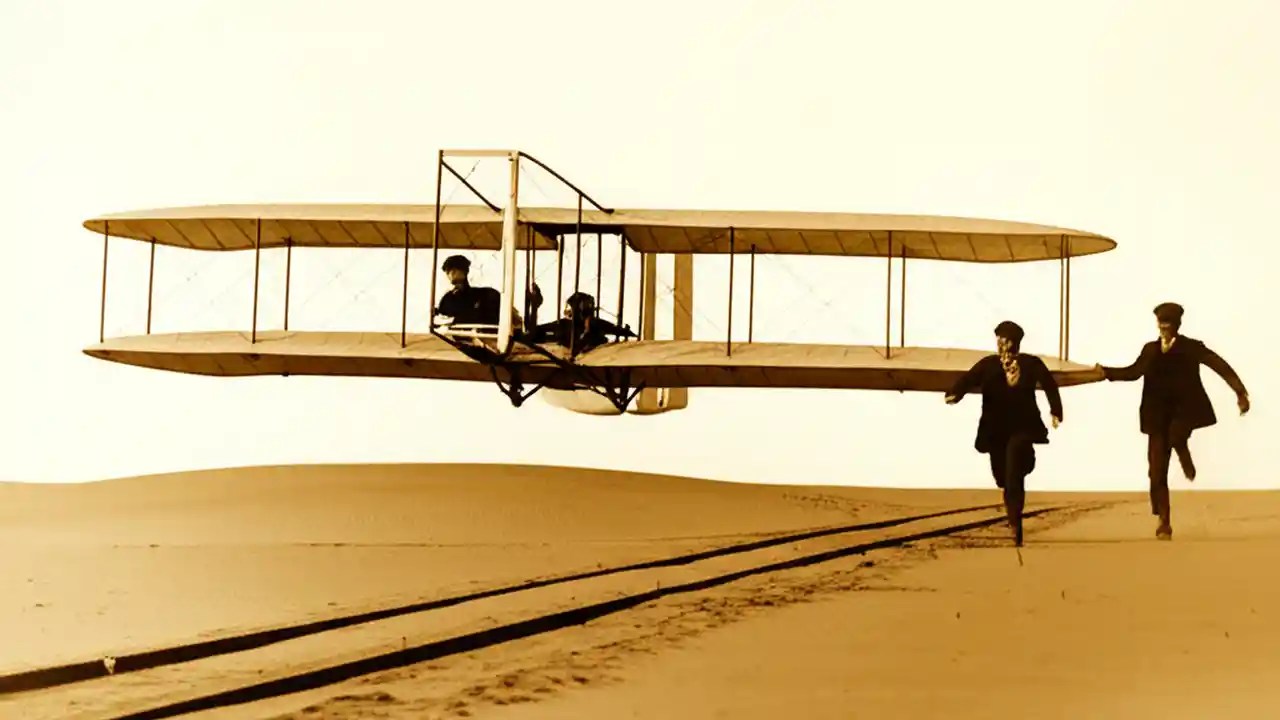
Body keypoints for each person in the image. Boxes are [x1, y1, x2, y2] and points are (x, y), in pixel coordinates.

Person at [1096, 302, 1249, 540]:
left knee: (1176, 435)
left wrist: (1240, 392)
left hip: (1183, 413)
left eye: (1168, 326)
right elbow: (1133, 372)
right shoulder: (1150, 350)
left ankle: (1181, 450)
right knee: (1156, 472)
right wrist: (1105, 372)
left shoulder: (1191, 348)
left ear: (1177, 325)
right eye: (1161, 325)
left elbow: (1219, 365)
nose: (1164, 330)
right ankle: (1163, 519)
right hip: (1156, 416)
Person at [944, 320, 1063, 547]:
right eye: (999, 339)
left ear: (1015, 342)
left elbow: (1049, 385)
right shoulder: (988, 365)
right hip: (996, 430)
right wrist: (955, 393)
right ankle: (1021, 475)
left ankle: (1015, 520)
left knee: (1013, 472)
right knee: (1002, 476)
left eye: (1006, 340)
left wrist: (1056, 411)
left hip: (1022, 427)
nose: (1001, 344)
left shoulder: (1031, 364)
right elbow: (968, 379)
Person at [532, 291, 635, 353]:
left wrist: (626, 331)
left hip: (594, 355)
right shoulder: (563, 324)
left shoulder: (594, 324)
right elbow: (536, 331)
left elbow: (615, 330)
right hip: (573, 355)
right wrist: (534, 307)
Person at [434, 254, 500, 327]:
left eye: (455, 269)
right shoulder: (447, 298)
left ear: (466, 271)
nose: (450, 273)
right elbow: (438, 321)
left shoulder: (486, 295)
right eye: (448, 271)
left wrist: (455, 319)